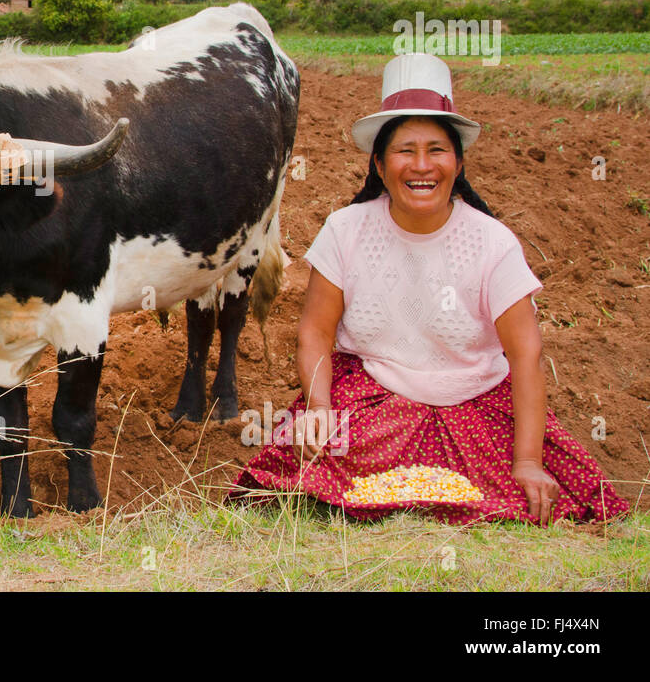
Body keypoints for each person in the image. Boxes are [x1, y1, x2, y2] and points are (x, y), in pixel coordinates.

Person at [235, 53, 629, 525]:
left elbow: (525, 355)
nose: (421, 166)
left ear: (458, 162)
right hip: (372, 399)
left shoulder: (492, 242)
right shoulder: (345, 230)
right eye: (405, 150)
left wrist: (526, 460)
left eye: (437, 150)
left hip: (476, 403)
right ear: (380, 164)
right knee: (299, 463)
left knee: (548, 494)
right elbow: (315, 333)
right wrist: (319, 409)